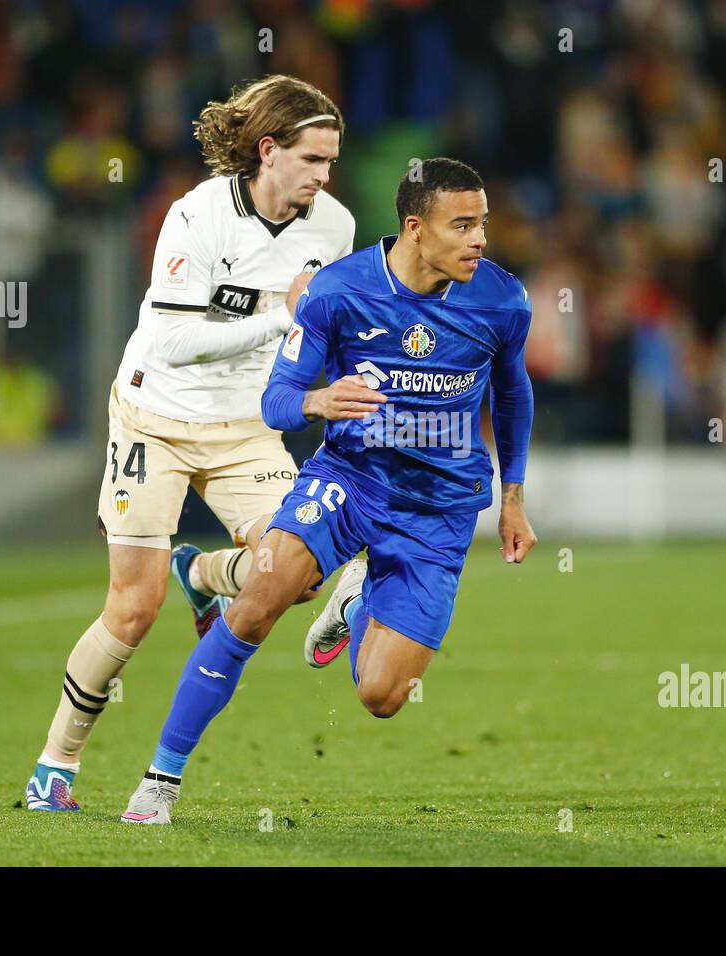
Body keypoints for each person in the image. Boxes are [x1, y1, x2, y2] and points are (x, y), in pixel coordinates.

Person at [120, 158, 536, 825]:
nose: (480, 239)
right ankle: (159, 781)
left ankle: (359, 595)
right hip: (348, 483)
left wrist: (512, 496)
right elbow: (278, 401)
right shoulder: (339, 292)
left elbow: (514, 392)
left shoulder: (501, 299)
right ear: (415, 228)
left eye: (482, 222)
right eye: (463, 224)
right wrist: (320, 398)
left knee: (381, 695)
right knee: (259, 601)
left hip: (440, 513)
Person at [24, 75, 355, 812]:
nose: (324, 176)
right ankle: (57, 764)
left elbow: (320, 328)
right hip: (156, 416)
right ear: (268, 151)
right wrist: (279, 317)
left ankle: (202, 575)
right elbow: (172, 340)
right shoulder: (196, 216)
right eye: (312, 160)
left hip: (245, 427)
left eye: (331, 162)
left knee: (295, 576)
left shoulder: (333, 227)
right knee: (132, 610)